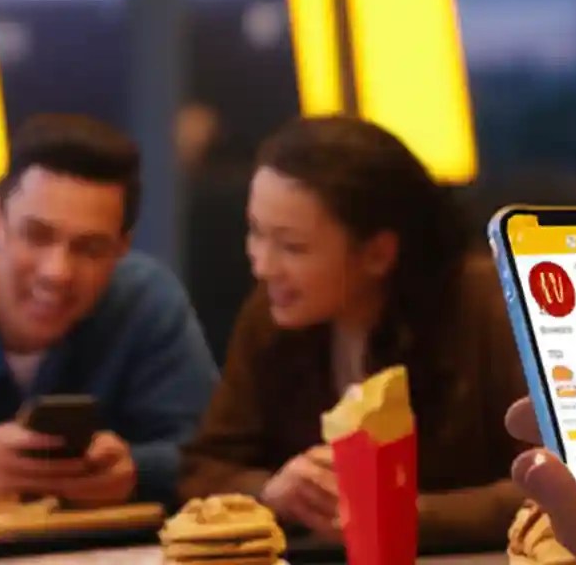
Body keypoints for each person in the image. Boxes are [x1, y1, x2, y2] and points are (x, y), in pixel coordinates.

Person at [179, 116, 527, 546]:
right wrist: (271, 492)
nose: (263, 266)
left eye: (292, 246)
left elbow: (565, 483)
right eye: (255, 232)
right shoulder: (272, 313)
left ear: (378, 254)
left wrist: (410, 514)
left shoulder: (491, 307)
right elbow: (203, 469)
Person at [0, 114, 219, 506]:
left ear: (121, 249)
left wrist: (136, 472)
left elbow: (214, 455)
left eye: (90, 248)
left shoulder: (146, 305)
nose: (57, 273)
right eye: (37, 236)